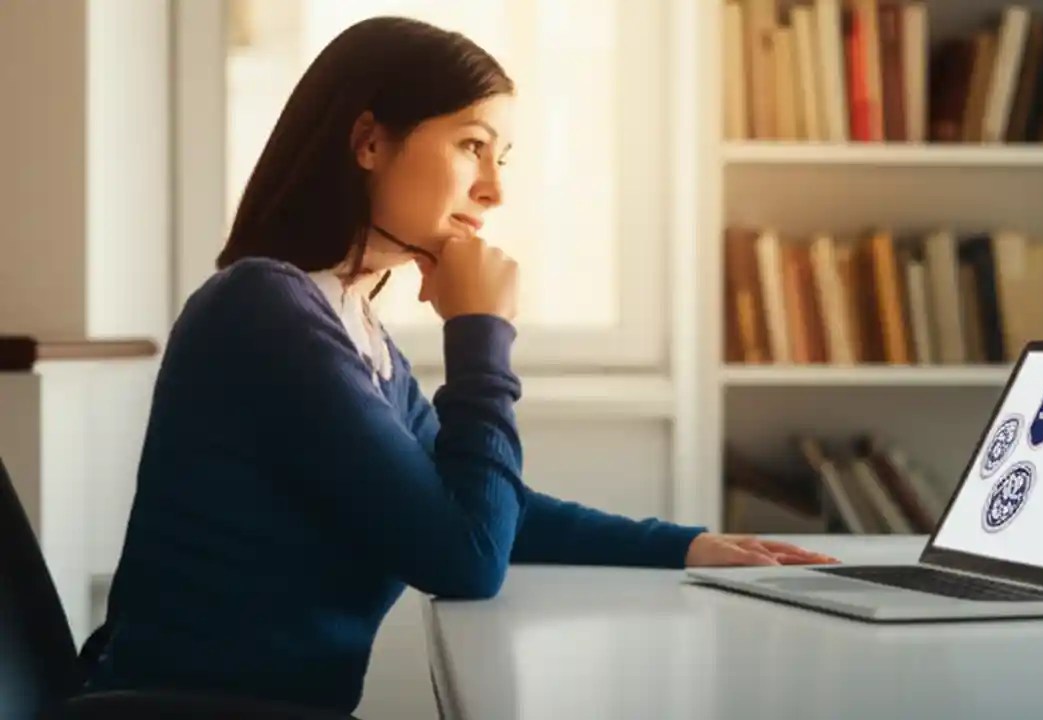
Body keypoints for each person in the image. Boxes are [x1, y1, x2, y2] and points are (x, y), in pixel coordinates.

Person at [79, 16, 836, 716]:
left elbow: (484, 510)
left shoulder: (350, 329)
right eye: (472, 145)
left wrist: (680, 546)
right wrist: (480, 331)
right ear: (369, 141)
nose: (494, 190)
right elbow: (467, 556)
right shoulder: (263, 311)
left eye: (500, 159)